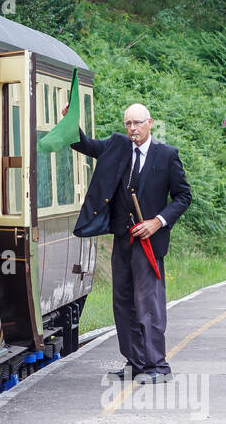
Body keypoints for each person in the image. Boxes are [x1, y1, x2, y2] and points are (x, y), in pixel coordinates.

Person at [71, 103, 192, 382]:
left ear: (149, 123)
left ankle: (157, 366)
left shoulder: (167, 155)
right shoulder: (117, 146)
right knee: (123, 302)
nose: (132, 129)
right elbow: (85, 144)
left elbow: (184, 197)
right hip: (123, 239)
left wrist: (157, 221)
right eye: (128, 124)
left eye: (137, 123)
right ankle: (135, 363)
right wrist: (70, 121)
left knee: (148, 303)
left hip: (149, 242)